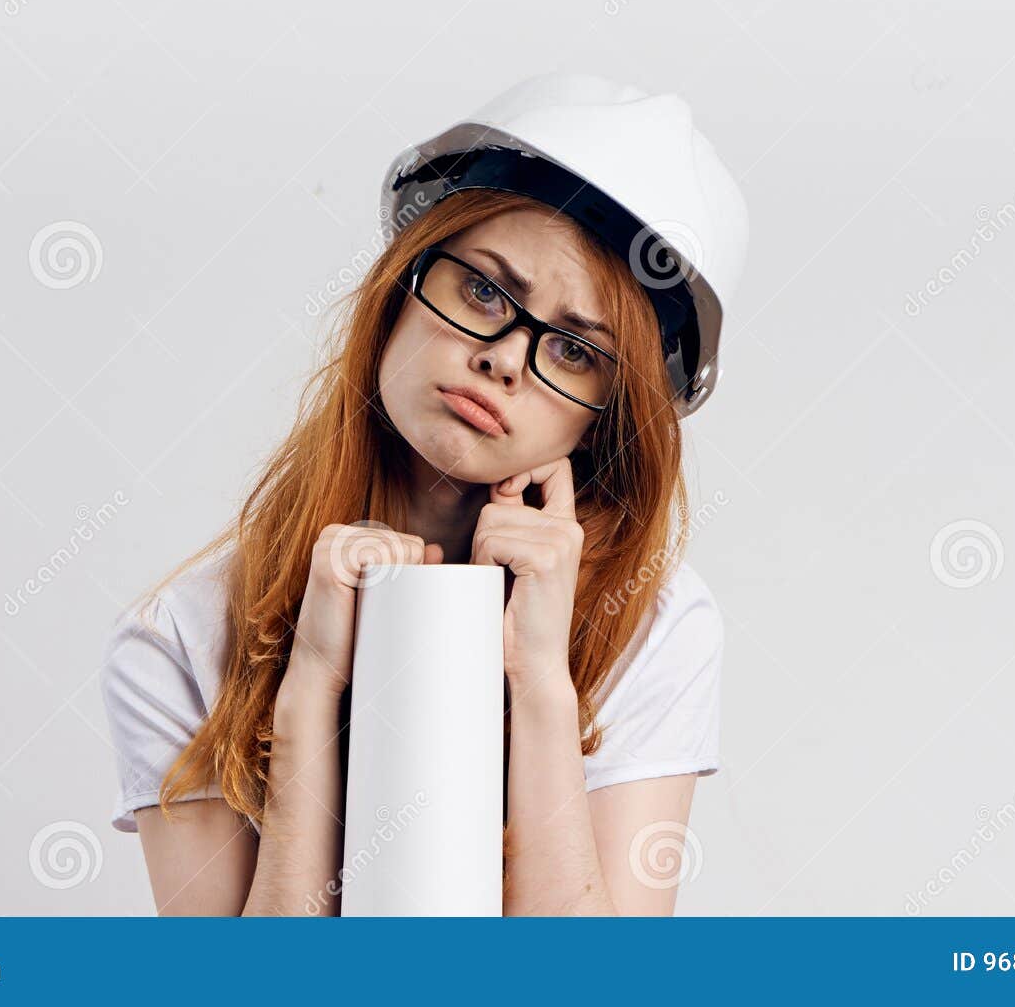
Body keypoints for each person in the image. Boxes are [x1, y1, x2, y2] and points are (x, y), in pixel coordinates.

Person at [99, 71, 750, 915]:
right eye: (484, 289)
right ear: (401, 286)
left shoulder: (654, 626)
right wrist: (310, 691)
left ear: (605, 422)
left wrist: (541, 682)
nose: (507, 358)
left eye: (577, 352)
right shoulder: (179, 638)